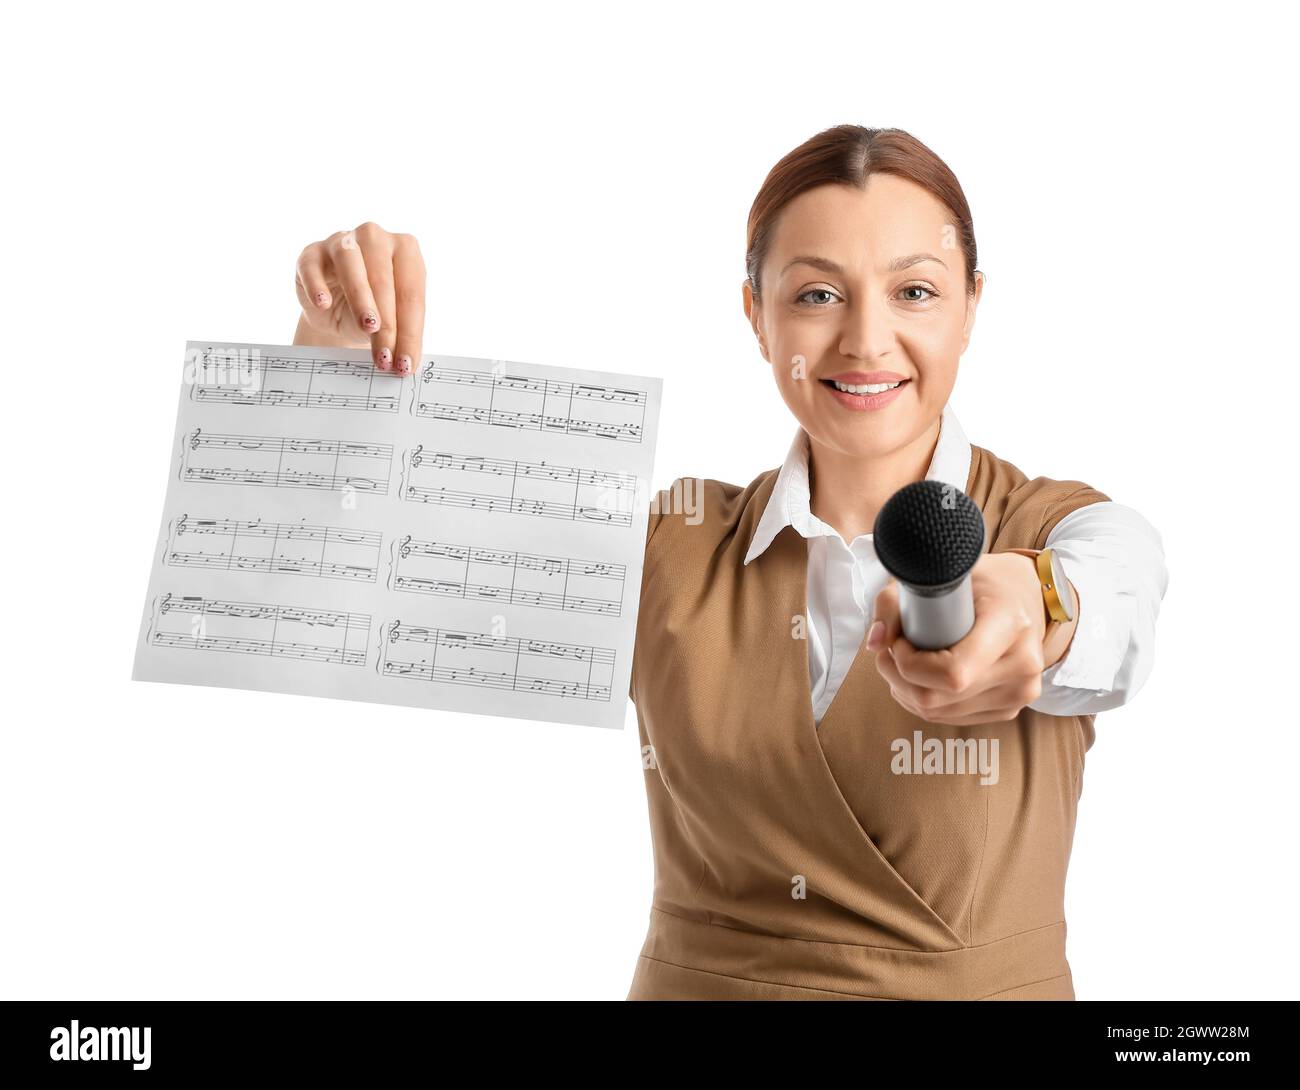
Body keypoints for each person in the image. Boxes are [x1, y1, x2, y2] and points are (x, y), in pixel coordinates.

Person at [289, 125, 1168, 1000]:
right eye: (818, 294)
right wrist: (331, 370)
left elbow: (1116, 593)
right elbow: (356, 562)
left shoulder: (1059, 530)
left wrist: (1040, 608)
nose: (866, 340)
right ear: (757, 315)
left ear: (971, 306)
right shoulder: (670, 548)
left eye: (914, 291)